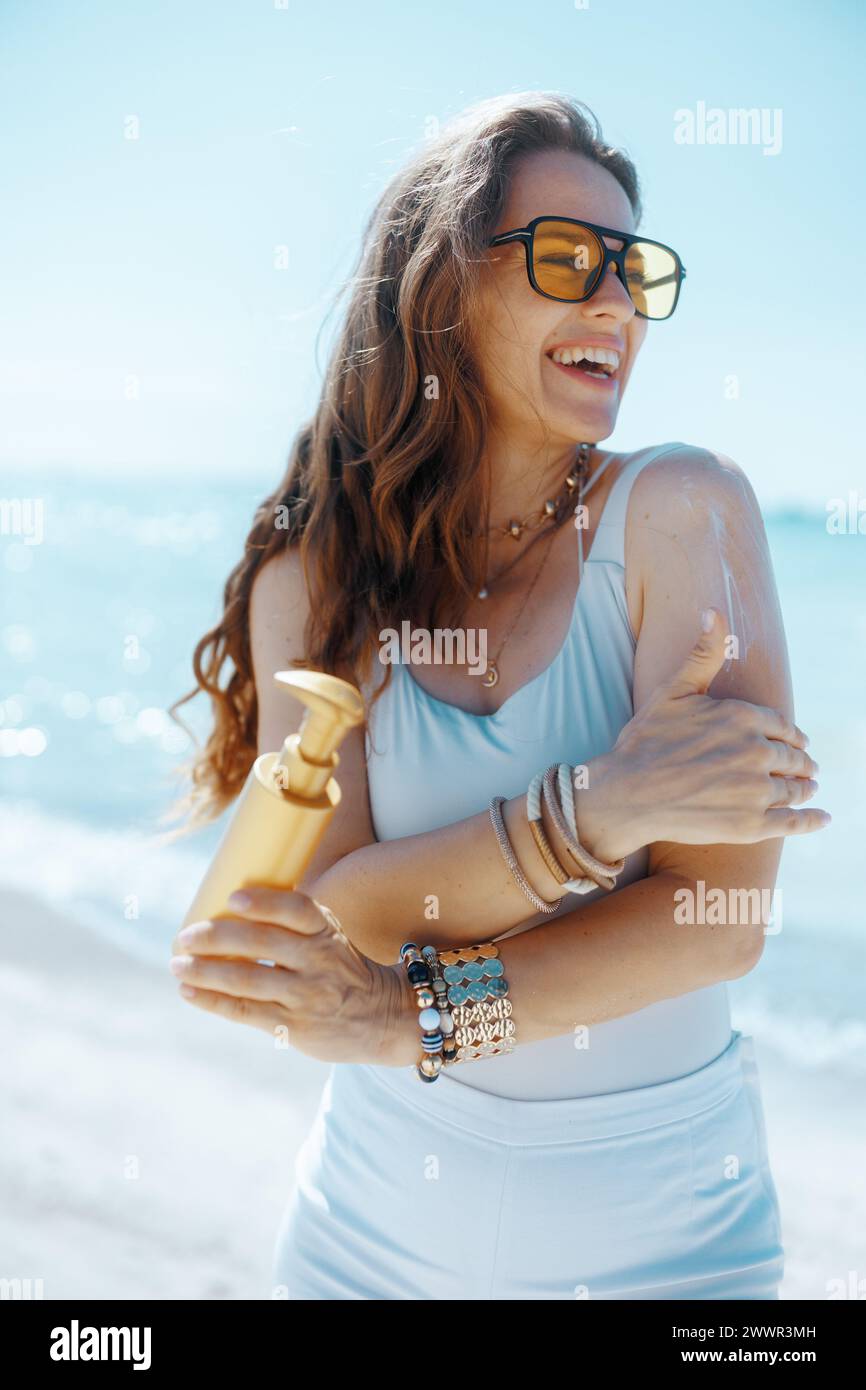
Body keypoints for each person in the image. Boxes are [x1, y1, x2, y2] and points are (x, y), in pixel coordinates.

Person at [168, 92, 829, 1300]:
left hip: (670, 1259)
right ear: (441, 288)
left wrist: (396, 1019)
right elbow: (342, 914)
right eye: (568, 258)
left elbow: (712, 921)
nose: (614, 303)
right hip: (363, 1241)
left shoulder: (681, 509)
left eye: (633, 270)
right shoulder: (315, 580)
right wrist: (595, 812)